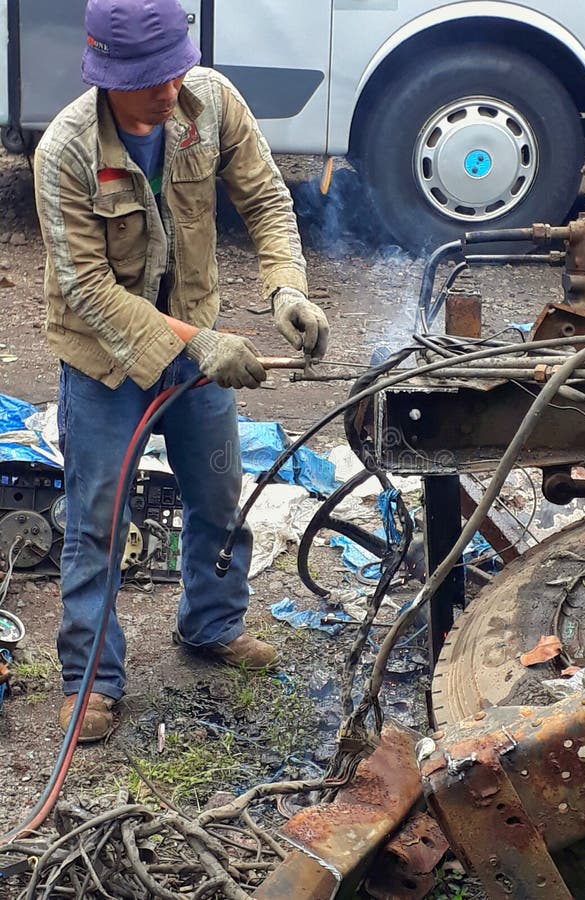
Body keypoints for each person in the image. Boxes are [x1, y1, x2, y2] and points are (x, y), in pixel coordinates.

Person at [33, 0, 329, 742]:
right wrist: (198, 342)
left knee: (218, 490)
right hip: (105, 359)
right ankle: (90, 680)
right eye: (150, 79)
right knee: (97, 517)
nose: (170, 90)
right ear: (108, 76)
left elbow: (263, 196)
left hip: (197, 347)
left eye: (175, 70)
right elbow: (88, 290)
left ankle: (212, 624)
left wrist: (286, 285)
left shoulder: (211, 102)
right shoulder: (66, 152)